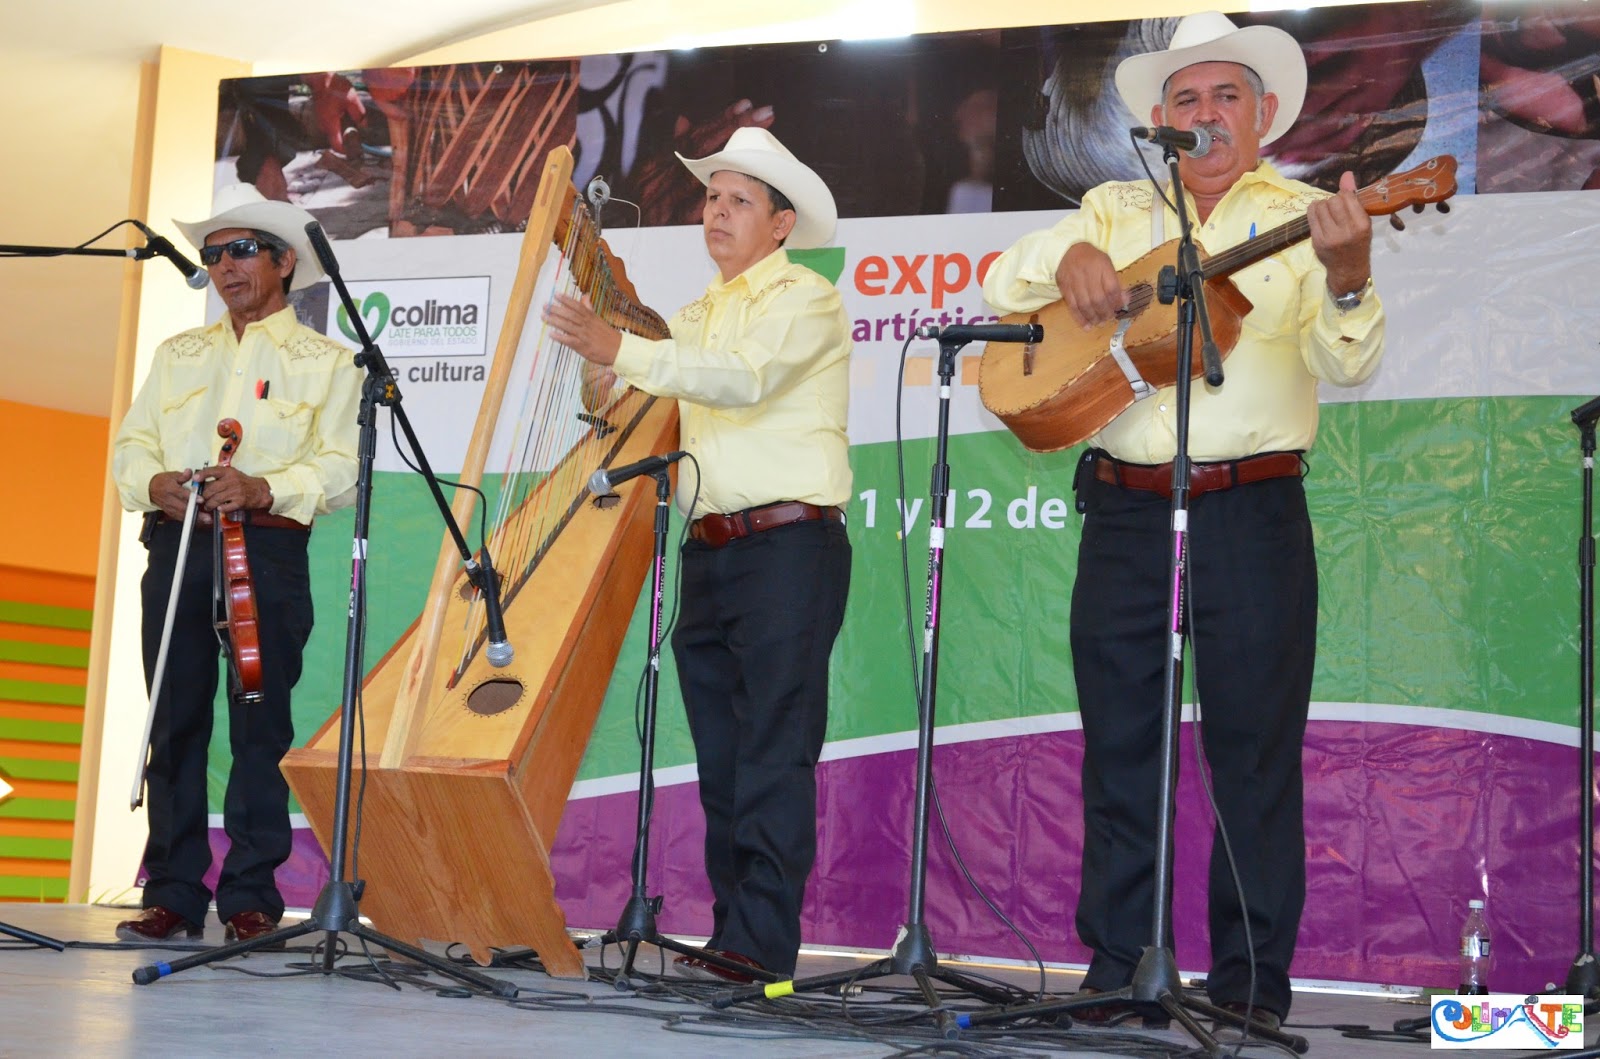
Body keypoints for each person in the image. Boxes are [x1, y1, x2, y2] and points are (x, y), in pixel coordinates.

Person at [984, 11, 1385, 1032]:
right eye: (1187, 98)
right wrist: (1071, 256)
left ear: (1262, 116)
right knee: (1121, 744)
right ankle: (1122, 970)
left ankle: (1248, 989)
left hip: (1250, 509)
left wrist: (1348, 278)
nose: (1205, 113)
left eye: (1225, 96)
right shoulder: (1113, 206)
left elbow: (1346, 362)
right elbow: (1004, 280)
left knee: (1252, 753)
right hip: (1124, 511)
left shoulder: (1305, 215)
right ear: (1161, 118)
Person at [542, 127, 853, 982]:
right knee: (723, 757)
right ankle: (731, 936)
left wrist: (622, 349)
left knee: (773, 752)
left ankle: (762, 947)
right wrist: (601, 381)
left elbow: (741, 378)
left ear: (782, 224)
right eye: (712, 198)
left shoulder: (807, 299)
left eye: (739, 200)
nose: (717, 212)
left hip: (789, 548)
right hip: (709, 553)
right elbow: (640, 403)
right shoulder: (688, 319)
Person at [112, 184, 361, 945]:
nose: (224, 265)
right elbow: (131, 446)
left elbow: (342, 471)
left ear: (285, 262)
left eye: (242, 250)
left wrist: (263, 487)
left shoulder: (330, 361)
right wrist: (154, 481)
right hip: (177, 544)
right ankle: (172, 893)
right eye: (214, 253)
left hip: (268, 549)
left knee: (260, 724)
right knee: (174, 720)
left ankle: (251, 895)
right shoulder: (177, 353)